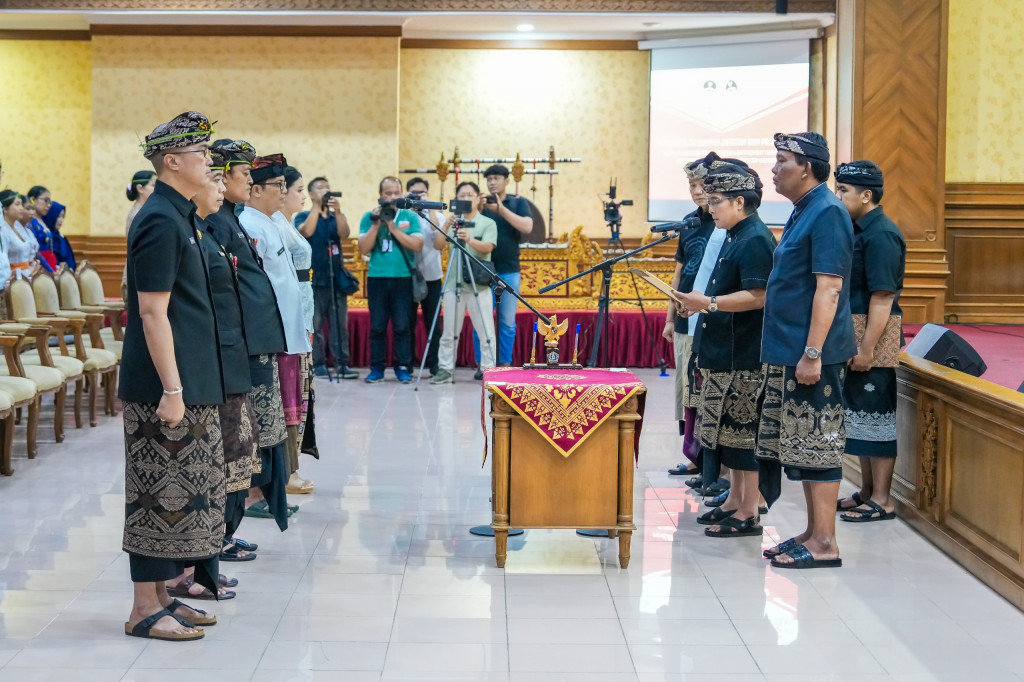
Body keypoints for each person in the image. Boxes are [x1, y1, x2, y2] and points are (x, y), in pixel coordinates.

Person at [120, 111, 223, 641]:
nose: (209, 162)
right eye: (202, 154)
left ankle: (162, 597)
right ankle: (142, 609)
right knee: (155, 496)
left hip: (184, 380)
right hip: (162, 387)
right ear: (172, 161)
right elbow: (152, 312)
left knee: (180, 495)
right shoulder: (160, 218)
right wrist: (173, 390)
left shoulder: (179, 214)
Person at [758, 131, 857, 569]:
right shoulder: (805, 209)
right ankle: (814, 532)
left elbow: (829, 289)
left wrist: (813, 353)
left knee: (819, 445)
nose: (774, 169)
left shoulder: (829, 212)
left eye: (781, 161)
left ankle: (826, 543)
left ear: (807, 168)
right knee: (802, 446)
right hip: (791, 351)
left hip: (813, 356)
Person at [164, 159, 254, 599]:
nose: (219, 187)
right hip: (197, 370)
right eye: (214, 177)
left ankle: (203, 564)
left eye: (222, 178)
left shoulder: (207, 232)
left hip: (222, 365)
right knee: (197, 477)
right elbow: (159, 311)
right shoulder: (176, 226)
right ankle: (187, 571)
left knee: (221, 472)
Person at [670, 163, 776, 538]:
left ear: (740, 201)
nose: (710, 207)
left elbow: (759, 296)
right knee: (726, 435)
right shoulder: (733, 233)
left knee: (743, 436)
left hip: (743, 355)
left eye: (716, 201)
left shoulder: (755, 239)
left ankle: (748, 510)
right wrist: (698, 303)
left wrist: (709, 303)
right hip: (722, 352)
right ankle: (734, 499)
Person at [205, 139, 291, 531]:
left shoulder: (230, 216)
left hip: (255, 343)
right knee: (239, 445)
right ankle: (223, 533)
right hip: (240, 346)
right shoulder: (216, 220)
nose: (240, 181)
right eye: (241, 174)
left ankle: (230, 530)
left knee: (255, 441)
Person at [833, 161, 906, 522]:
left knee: (877, 417)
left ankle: (883, 498)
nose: (839, 195)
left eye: (844, 190)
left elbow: (882, 297)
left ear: (866, 195)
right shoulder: (857, 228)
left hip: (873, 337)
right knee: (859, 417)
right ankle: (865, 491)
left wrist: (867, 349)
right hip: (857, 332)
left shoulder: (881, 234)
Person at [240, 154, 314, 500]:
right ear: (255, 190)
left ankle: (275, 483)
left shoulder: (270, 222)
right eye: (279, 186)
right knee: (267, 415)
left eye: (287, 186)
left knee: (283, 412)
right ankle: (259, 490)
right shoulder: (252, 225)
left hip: (286, 331)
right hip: (271, 334)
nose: (284, 192)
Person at [663, 155, 717, 478]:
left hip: (711, 315)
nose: (697, 191)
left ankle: (713, 460)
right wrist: (670, 317)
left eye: (702, 184)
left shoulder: (725, 221)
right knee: (686, 389)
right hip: (684, 318)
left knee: (704, 388)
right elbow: (679, 273)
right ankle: (694, 455)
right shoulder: (689, 223)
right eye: (692, 185)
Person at [275, 165, 317, 495]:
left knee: (301, 396)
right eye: (298, 189)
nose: (303, 195)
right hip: (291, 319)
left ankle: (293, 468)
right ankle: (287, 471)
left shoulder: (289, 224)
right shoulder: (274, 224)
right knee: (289, 396)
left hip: (303, 313)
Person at [430, 181, 498, 385]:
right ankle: (445, 369)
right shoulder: (453, 223)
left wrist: (469, 239)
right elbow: (437, 245)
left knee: (486, 331)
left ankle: (489, 369)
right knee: (449, 331)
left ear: (478, 198)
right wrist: (446, 225)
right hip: (453, 284)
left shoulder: (487, 223)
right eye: (462, 195)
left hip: (480, 285)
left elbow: (488, 248)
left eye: (470, 194)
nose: (466, 198)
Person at [357, 176, 423, 384]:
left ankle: (402, 367)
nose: (392, 197)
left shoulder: (410, 217)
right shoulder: (369, 217)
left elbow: (417, 245)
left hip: (402, 278)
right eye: (388, 193)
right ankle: (377, 368)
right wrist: (377, 224)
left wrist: (393, 228)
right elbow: (363, 248)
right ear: (380, 196)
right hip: (377, 278)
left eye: (396, 193)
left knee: (402, 326)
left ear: (402, 193)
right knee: (377, 326)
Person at [294, 176, 357, 380]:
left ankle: (342, 364)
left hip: (336, 277)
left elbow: (345, 233)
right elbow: (306, 232)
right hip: (314, 278)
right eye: (320, 188)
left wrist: (337, 212)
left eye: (328, 187)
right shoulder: (303, 215)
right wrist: (317, 207)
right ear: (311, 194)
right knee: (316, 324)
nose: (325, 190)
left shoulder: (335, 216)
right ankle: (318, 363)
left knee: (340, 325)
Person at [476, 164, 533, 374]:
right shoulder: (480, 203)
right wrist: (479, 207)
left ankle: (505, 363)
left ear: (507, 181)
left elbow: (527, 227)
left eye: (496, 178)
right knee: (482, 320)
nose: (492, 182)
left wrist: (500, 209)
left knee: (507, 321)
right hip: (482, 270)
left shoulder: (518, 202)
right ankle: (483, 364)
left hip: (509, 269)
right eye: (489, 179)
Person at [406, 176, 444, 376]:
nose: (418, 197)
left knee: (433, 325)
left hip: (432, 277)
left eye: (422, 193)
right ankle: (408, 363)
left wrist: (432, 208)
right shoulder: (403, 215)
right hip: (408, 277)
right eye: (414, 193)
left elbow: (438, 239)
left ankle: (434, 364)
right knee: (408, 323)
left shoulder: (437, 216)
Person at [123, 171, 157, 296]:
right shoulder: (137, 215)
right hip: (136, 278)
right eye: (153, 185)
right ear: (140, 188)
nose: (156, 190)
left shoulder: (145, 212)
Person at [1, 192, 40, 275]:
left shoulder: (21, 230)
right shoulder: (2, 232)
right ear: (5, 209)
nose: (21, 208)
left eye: (22, 205)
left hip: (25, 274)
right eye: (17, 204)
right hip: (11, 278)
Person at [26, 186, 56, 271]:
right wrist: (48, 269)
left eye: (50, 202)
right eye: (45, 201)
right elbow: (35, 251)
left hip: (49, 262)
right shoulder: (30, 223)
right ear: (33, 200)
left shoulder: (42, 221)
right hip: (39, 265)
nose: (49, 205)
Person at [43, 200, 75, 270]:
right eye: (58, 217)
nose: (61, 220)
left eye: (63, 217)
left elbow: (71, 261)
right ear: (50, 216)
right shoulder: (45, 238)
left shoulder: (61, 238)